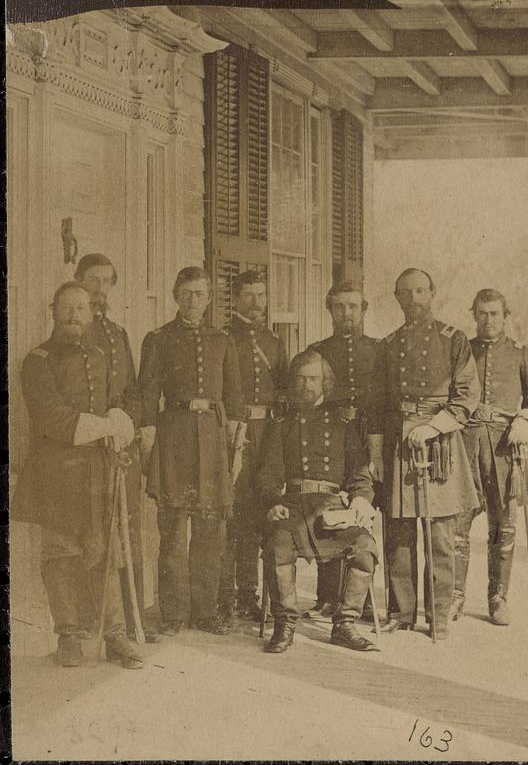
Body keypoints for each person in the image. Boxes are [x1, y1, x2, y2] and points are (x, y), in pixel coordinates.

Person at [12, 282, 142, 668]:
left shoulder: (100, 356)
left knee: (105, 552)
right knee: (61, 554)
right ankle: (68, 635)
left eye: (81, 309)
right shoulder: (37, 360)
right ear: (53, 311)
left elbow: (111, 403)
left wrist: (119, 422)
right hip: (55, 472)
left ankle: (114, 636)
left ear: (91, 314)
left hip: (96, 471)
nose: (74, 315)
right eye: (67, 308)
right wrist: (104, 426)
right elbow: (51, 417)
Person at [369, 268, 481, 640]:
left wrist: (433, 427)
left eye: (420, 291)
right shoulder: (387, 345)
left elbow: (466, 396)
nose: (414, 298)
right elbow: (377, 404)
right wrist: (377, 454)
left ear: (433, 293)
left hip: (439, 442)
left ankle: (438, 615)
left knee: (440, 535)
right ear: (397, 298)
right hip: (398, 443)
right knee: (398, 532)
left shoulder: (454, 340)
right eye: (406, 292)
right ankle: (401, 613)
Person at [138, 266, 242, 636]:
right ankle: (174, 614)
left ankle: (205, 611)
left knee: (210, 533)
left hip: (213, 440)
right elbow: (148, 394)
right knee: (172, 532)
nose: (193, 301)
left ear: (210, 298)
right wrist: (148, 444)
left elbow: (234, 398)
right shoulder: (158, 339)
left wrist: (234, 447)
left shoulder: (222, 340)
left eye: (200, 294)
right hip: (175, 438)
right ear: (175, 296)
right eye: (186, 294)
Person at [256, 350, 379, 654]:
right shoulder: (282, 423)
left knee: (365, 548)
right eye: (299, 379)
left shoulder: (343, 424)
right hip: (294, 505)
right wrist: (273, 501)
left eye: (313, 379)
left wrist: (362, 500)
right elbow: (267, 472)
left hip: (333, 507)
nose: (305, 385)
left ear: (325, 382)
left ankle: (345, 624)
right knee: (277, 546)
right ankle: (285, 624)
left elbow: (359, 472)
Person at [75, 253, 160, 642]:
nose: (100, 290)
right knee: (94, 536)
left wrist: (126, 418)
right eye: (93, 281)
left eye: (107, 282)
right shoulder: (72, 332)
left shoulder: (118, 334)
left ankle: (131, 620)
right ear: (78, 282)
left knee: (129, 533)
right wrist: (102, 422)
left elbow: (134, 391)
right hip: (86, 452)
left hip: (121, 448)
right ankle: (94, 624)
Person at [454, 289, 528, 626]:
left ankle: (498, 597)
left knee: (503, 526)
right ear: (474, 315)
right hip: (465, 446)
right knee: (457, 523)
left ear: (505, 316)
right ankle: (454, 597)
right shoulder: (461, 352)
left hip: (505, 450)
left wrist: (523, 420)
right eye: (481, 313)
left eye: (494, 313)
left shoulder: (522, 355)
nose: (488, 320)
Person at [305, 280, 381, 621]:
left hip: (371, 439)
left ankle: (361, 599)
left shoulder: (379, 351)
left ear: (363, 309)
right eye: (339, 306)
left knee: (366, 514)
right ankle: (327, 597)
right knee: (329, 508)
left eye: (352, 306)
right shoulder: (318, 351)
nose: (346, 313)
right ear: (329, 310)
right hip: (333, 439)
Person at [217, 270, 288, 626]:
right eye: (249, 296)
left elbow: (283, 389)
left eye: (261, 295)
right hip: (235, 435)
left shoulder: (274, 341)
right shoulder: (224, 337)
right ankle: (228, 595)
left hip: (266, 435)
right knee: (234, 515)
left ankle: (251, 593)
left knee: (260, 514)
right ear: (235, 297)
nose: (256, 303)